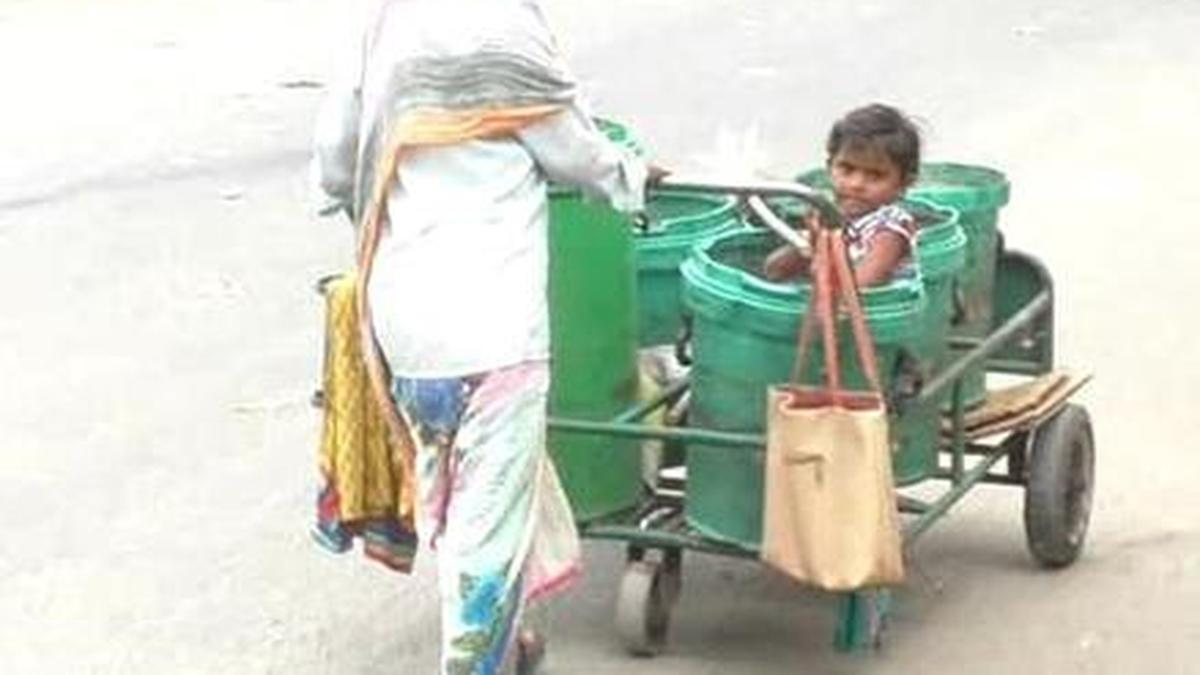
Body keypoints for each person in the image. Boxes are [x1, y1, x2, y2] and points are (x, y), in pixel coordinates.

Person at [309, 1, 657, 673]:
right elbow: (578, 155)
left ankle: (513, 641)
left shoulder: (384, 23)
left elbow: (335, 157)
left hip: (404, 323)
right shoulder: (509, 28)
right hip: (495, 333)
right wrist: (633, 176)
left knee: (460, 508)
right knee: (486, 538)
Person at [763, 103, 921, 287]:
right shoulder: (832, 215)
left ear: (903, 184)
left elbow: (861, 287)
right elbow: (774, 270)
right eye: (847, 169)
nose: (856, 184)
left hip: (877, 312)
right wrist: (812, 242)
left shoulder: (889, 228)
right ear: (830, 167)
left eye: (876, 175)